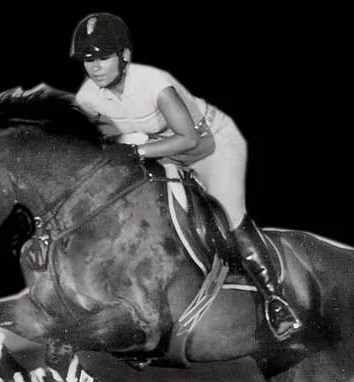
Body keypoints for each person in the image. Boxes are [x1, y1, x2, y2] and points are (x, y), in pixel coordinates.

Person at [70, 12, 303, 341]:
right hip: (161, 151)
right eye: (88, 59)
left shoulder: (153, 83)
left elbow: (191, 140)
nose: (95, 67)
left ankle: (276, 300)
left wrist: (135, 151)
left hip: (211, 146)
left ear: (124, 56)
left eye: (103, 57)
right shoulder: (88, 98)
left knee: (229, 212)